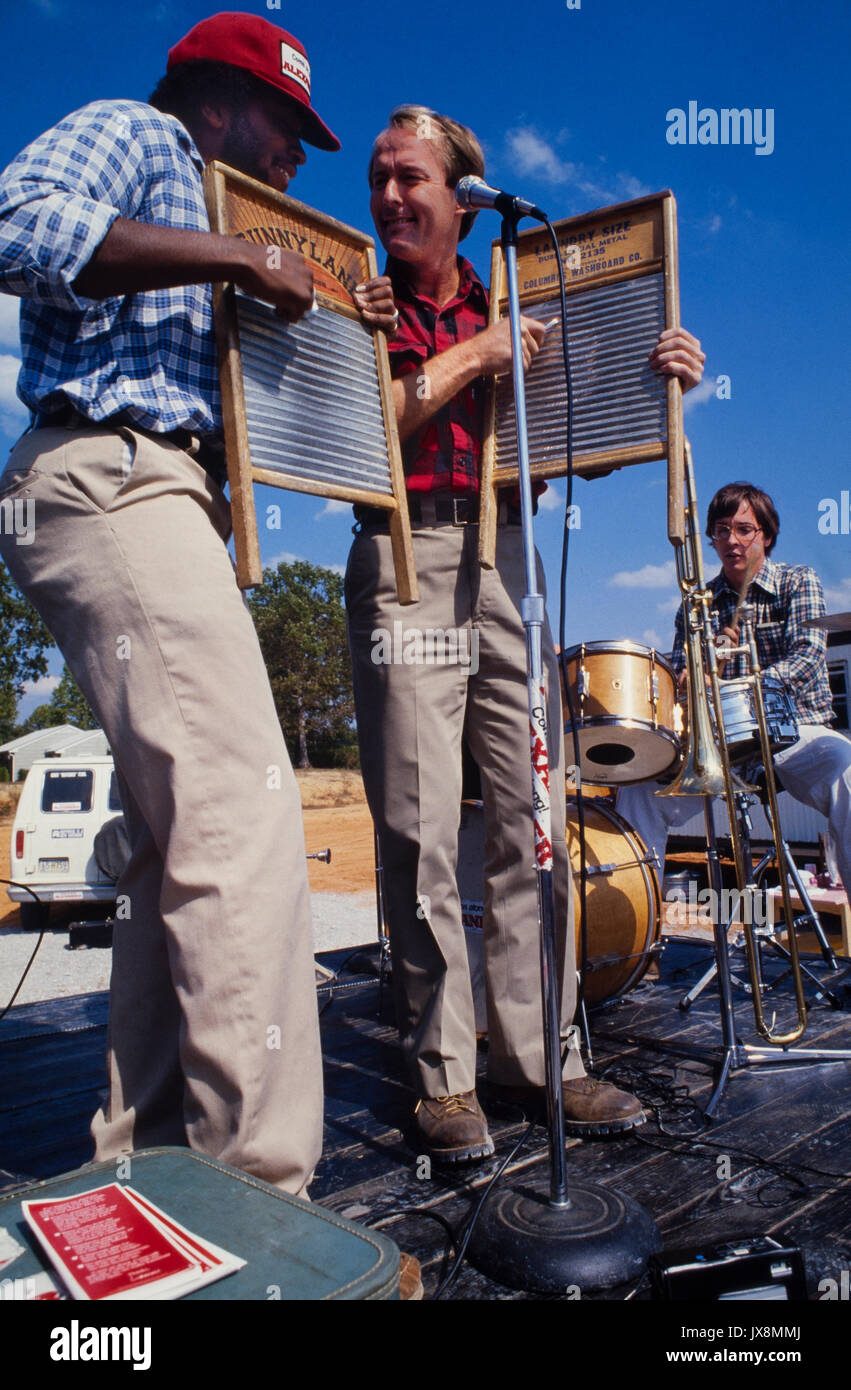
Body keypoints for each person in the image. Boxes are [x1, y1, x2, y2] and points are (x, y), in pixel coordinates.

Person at [0, 12, 342, 1196]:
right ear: (214, 101)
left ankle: (143, 1164)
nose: (296, 157)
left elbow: (290, 397)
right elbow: (24, 225)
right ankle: (263, 1196)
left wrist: (343, 316)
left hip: (160, 491)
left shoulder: (218, 223)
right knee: (244, 823)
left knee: (170, 845)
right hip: (109, 472)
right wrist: (241, 257)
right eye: (286, 127)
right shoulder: (137, 136)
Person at [349, 106, 706, 1163]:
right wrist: (474, 356)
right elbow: (369, 422)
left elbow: (573, 443)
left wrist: (659, 372)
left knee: (528, 816)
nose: (387, 198)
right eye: (377, 179)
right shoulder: (357, 300)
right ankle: (442, 1080)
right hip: (403, 555)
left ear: (465, 198)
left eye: (408, 178)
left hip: (503, 557)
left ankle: (542, 1057)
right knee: (419, 825)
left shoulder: (514, 297)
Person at [618, 482, 851, 900]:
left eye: (744, 529)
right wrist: (691, 679)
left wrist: (740, 687)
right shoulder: (696, 606)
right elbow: (680, 683)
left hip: (797, 733)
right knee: (638, 792)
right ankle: (640, 937)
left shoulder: (799, 581)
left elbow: (809, 656)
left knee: (848, 771)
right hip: (723, 744)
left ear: (767, 535)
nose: (731, 540)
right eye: (721, 530)